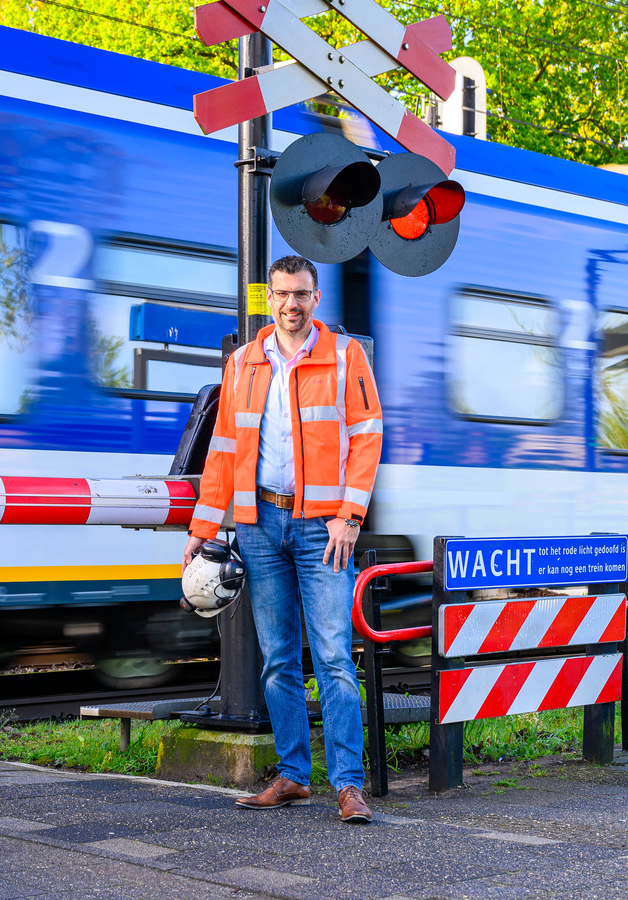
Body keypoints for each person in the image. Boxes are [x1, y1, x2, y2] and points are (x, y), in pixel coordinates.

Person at [182, 254, 382, 823]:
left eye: (301, 294)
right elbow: (222, 450)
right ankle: (294, 776)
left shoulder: (346, 355)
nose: (291, 304)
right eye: (281, 295)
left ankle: (348, 785)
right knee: (277, 660)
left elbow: (367, 437)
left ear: (316, 299)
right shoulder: (244, 361)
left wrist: (350, 515)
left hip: (324, 528)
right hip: (258, 524)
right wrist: (203, 527)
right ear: (268, 299)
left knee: (334, 659)